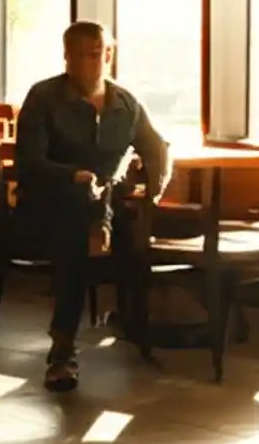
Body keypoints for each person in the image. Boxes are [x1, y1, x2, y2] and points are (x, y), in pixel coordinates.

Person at [15, 20, 171, 392]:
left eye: (95, 55)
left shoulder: (125, 104)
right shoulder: (44, 97)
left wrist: (154, 189)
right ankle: (63, 350)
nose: (88, 64)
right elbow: (29, 164)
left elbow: (157, 147)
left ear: (109, 56)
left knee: (116, 206)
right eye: (78, 56)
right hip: (48, 205)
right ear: (65, 58)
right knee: (76, 218)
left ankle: (137, 322)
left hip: (109, 200)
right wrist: (73, 176)